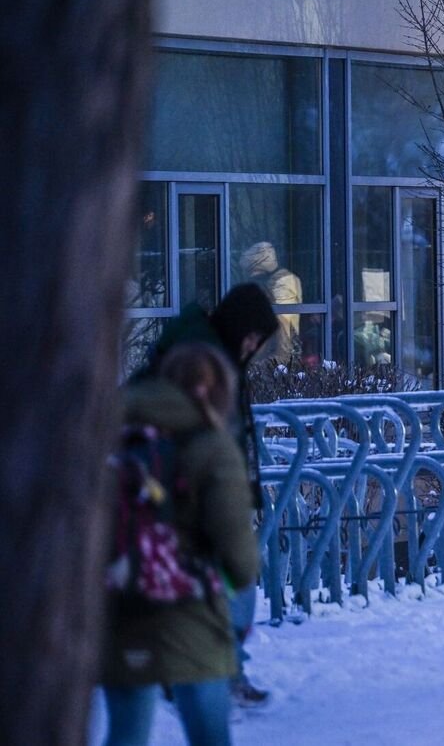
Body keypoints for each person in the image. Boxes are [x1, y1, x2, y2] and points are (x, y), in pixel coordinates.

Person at [102, 344, 261, 746]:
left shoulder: (109, 436)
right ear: (212, 391)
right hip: (192, 614)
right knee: (209, 735)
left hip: (119, 606)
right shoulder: (212, 447)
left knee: (125, 734)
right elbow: (239, 558)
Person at [140, 283, 279, 708]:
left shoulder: (201, 352)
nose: (253, 345)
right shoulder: (205, 362)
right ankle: (217, 675)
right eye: (252, 335)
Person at [240, 242, 303, 362]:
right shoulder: (273, 283)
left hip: (274, 358)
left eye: (255, 274)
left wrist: (280, 360)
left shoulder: (283, 282)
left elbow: (284, 324)